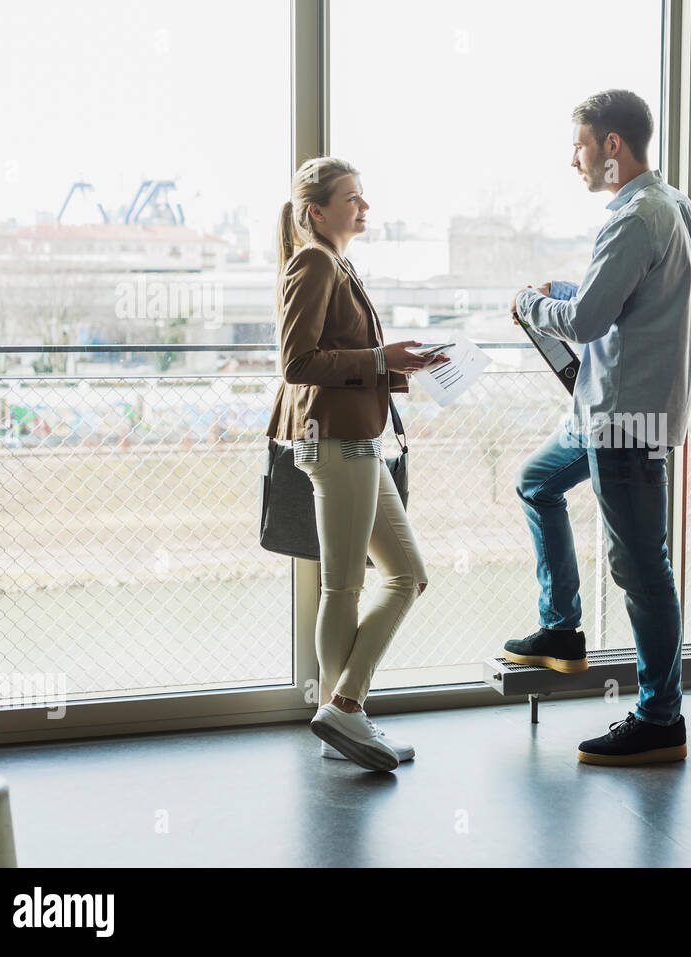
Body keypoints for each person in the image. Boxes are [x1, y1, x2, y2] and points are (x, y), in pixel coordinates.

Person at [506, 89, 691, 766]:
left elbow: (590, 321)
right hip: (612, 414)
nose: (575, 160)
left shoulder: (632, 218)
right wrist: (563, 291)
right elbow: (620, 296)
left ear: (611, 145)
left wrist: (536, 304)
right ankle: (562, 628)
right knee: (536, 482)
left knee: (642, 569)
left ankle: (659, 717)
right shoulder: (671, 206)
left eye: (580, 145)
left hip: (622, 422)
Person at [266, 156, 448, 772]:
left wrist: (397, 365)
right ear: (317, 211)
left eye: (364, 198)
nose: (364, 209)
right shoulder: (314, 261)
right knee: (347, 584)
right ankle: (344, 711)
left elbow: (343, 356)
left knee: (407, 576)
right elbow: (298, 362)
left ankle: (343, 711)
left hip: (355, 440)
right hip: (336, 443)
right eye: (352, 199)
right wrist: (378, 359)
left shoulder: (335, 261)